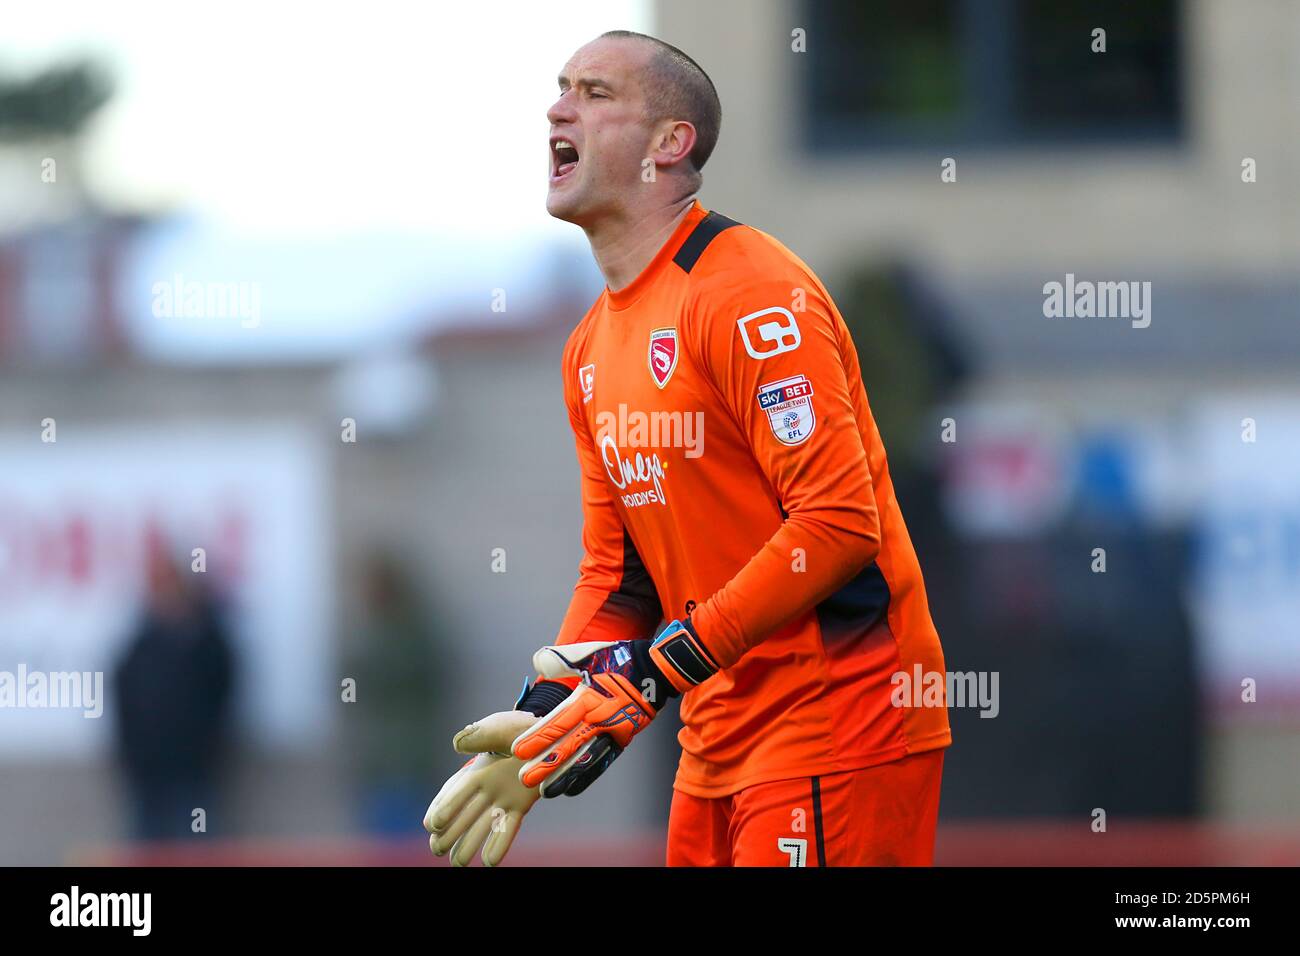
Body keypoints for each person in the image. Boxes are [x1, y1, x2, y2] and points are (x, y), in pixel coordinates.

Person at [426, 30, 950, 867]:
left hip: (838, 720)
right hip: (713, 742)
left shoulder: (747, 289)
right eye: (561, 89)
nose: (559, 108)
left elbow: (839, 523)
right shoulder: (588, 348)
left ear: (670, 145)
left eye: (596, 94)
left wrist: (656, 673)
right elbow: (619, 578)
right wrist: (551, 709)